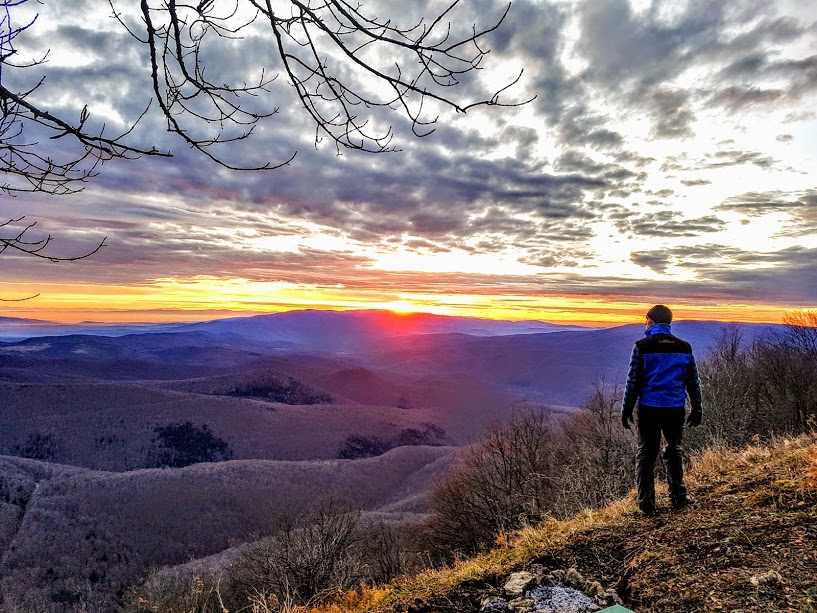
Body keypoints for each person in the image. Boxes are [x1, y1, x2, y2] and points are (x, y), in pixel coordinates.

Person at [621, 304, 703, 517]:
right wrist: (697, 408)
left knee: (646, 454)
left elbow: (634, 381)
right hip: (675, 408)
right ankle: (679, 498)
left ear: (650, 320)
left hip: (649, 408)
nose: (644, 323)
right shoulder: (684, 347)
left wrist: (626, 409)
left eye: (645, 320)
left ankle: (647, 504)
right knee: (673, 450)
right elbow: (693, 381)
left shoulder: (642, 346)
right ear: (669, 323)